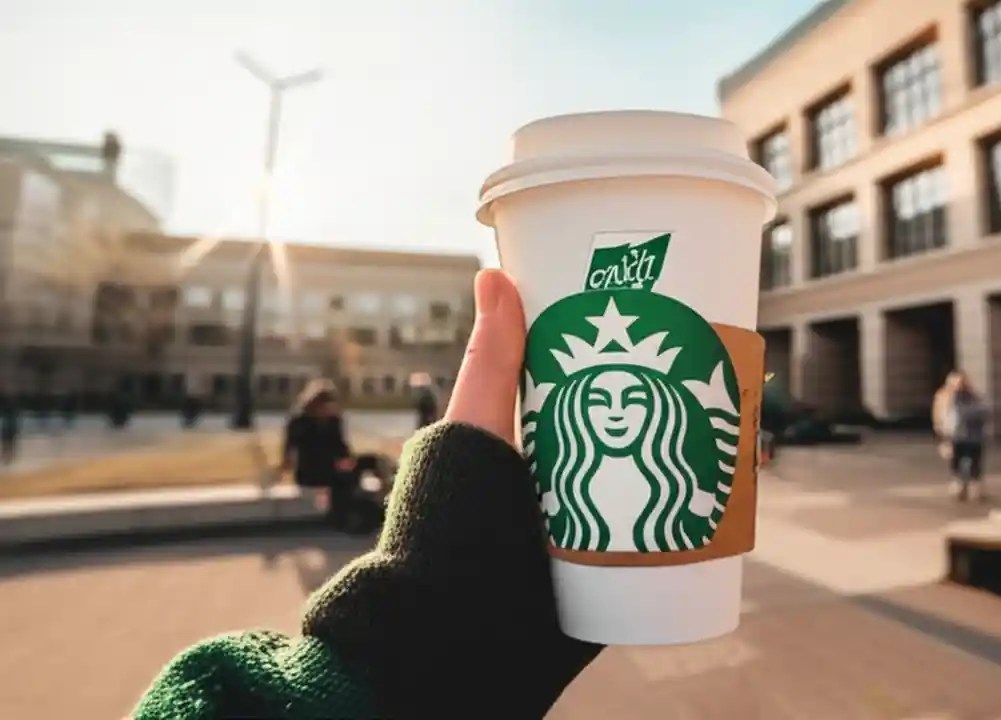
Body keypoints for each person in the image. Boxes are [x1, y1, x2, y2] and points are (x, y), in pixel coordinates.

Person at [134, 269, 602, 718]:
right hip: (316, 476)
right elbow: (299, 453)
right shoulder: (302, 423)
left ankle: (374, 495)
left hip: (340, 478)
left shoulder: (332, 422)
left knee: (371, 464)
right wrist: (387, 667)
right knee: (354, 473)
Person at [281, 379, 390, 534]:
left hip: (335, 465)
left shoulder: (334, 420)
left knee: (373, 461)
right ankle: (345, 515)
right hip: (311, 470)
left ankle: (386, 494)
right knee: (343, 478)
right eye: (324, 407)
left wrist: (348, 459)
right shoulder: (299, 422)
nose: (327, 411)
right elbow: (293, 450)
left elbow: (341, 446)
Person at [944, 372, 990, 502]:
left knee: (969, 463)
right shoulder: (953, 399)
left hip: (968, 437)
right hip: (962, 437)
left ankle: (969, 488)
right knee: (959, 464)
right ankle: (965, 488)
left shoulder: (962, 400)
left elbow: (983, 413)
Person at [0, 388, 19, 466]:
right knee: (7, 442)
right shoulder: (10, 410)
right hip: (7, 428)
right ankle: (7, 455)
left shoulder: (11, 411)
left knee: (9, 443)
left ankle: (8, 456)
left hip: (9, 428)